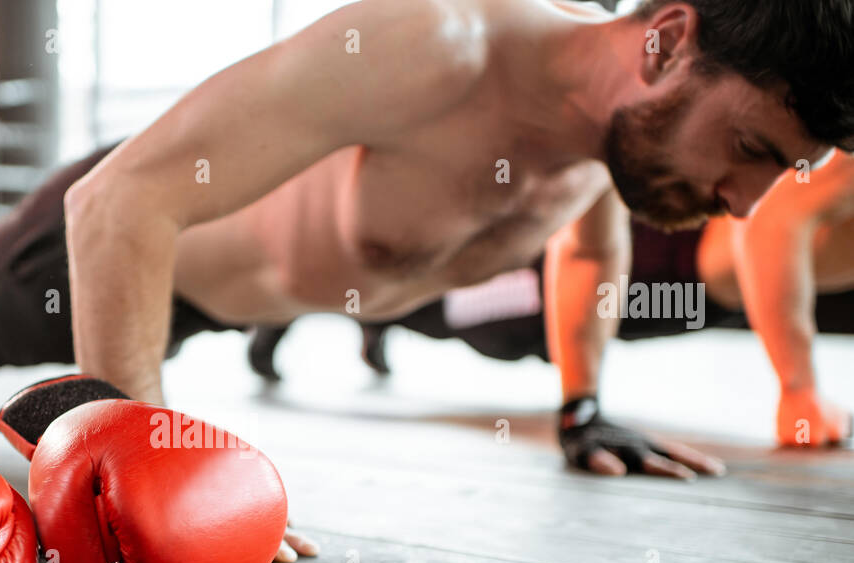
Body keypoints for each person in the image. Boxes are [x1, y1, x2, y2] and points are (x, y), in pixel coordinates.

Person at [0, 0, 854, 560]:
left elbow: (589, 245)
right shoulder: (433, 45)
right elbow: (116, 207)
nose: (751, 205)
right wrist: (143, 460)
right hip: (121, 254)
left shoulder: (607, 140)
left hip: (247, 301)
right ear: (667, 41)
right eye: (753, 149)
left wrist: (583, 408)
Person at [250, 149, 854, 460]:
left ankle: (371, 316)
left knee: (502, 336)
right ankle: (295, 306)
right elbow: (770, 225)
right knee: (459, 309)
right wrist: (798, 388)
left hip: (672, 302)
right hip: (632, 260)